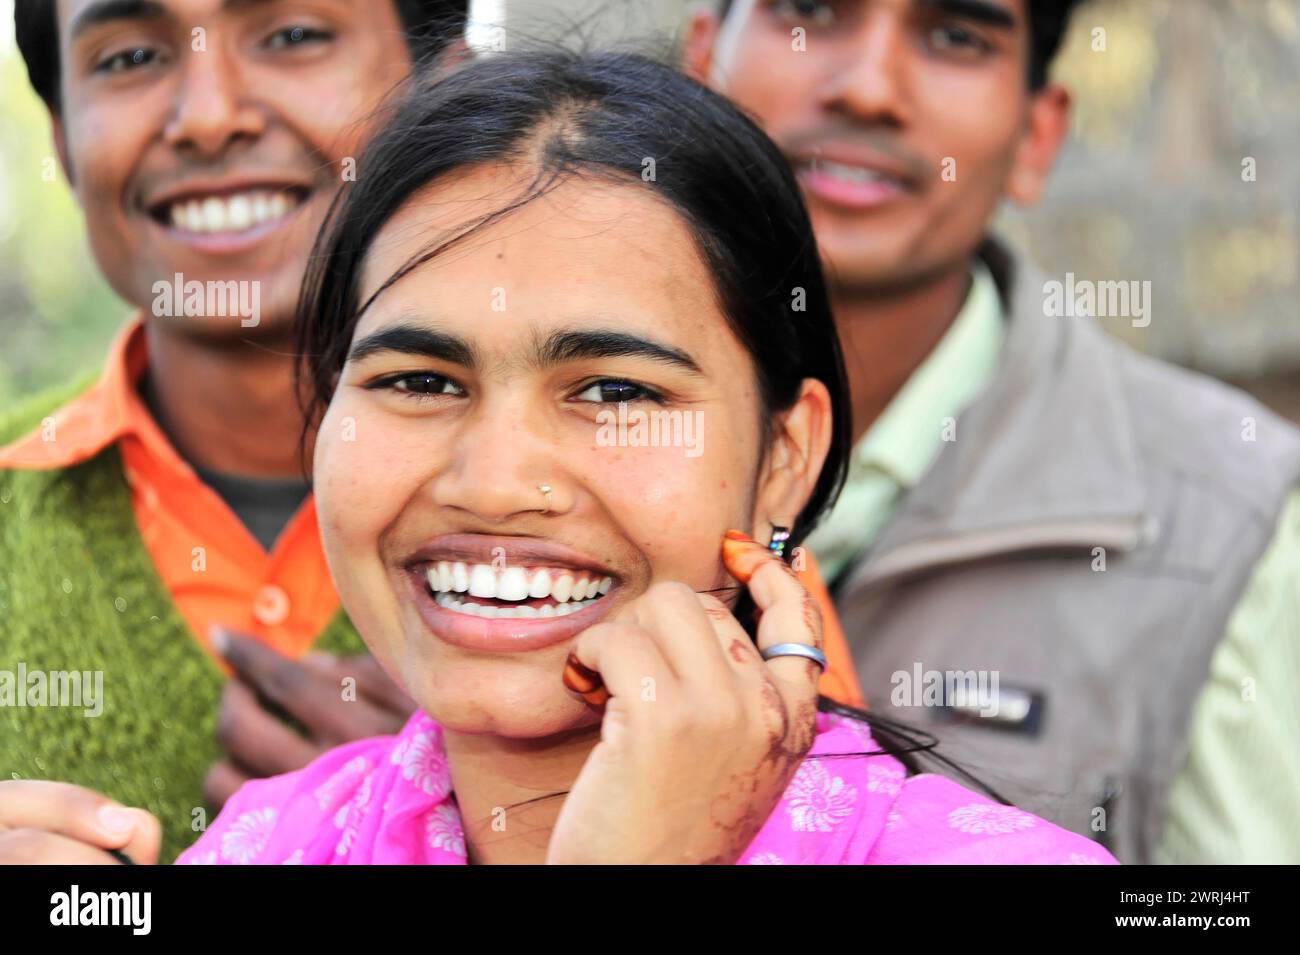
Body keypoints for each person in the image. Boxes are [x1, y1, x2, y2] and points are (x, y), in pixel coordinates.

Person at [178, 49, 1115, 865]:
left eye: (617, 392)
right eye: (420, 381)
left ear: (787, 455)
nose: (495, 482)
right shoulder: (265, 841)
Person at [684, 0, 1300, 862]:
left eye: (956, 36)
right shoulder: (521, 455)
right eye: (812, 12)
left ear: (1036, 136)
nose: (867, 89)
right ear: (700, 59)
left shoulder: (1229, 513)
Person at [0, 0, 469, 863]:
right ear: (63, 142)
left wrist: (506, 797)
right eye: (130, 57)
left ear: (445, 91)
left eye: (293, 36)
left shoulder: (633, 524)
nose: (209, 117)